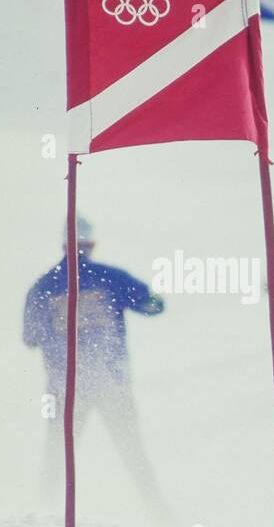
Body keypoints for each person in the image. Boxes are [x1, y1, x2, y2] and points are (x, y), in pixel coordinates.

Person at [22, 215, 167, 502]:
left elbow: (30, 337)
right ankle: (157, 510)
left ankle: (43, 511)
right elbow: (153, 305)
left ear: (64, 245)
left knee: (57, 454)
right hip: (110, 380)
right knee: (132, 451)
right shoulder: (111, 278)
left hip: (65, 385)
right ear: (92, 244)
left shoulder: (43, 287)